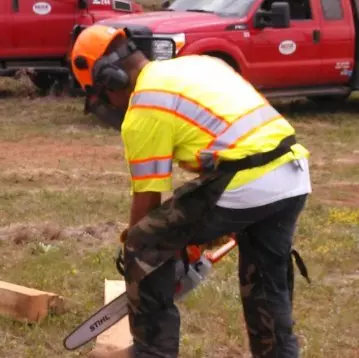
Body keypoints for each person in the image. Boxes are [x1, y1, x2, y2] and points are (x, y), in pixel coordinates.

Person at [71, 24, 312, 358]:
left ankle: (151, 351)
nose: (109, 105)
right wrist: (191, 235)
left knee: (145, 241)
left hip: (245, 178)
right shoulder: (195, 64)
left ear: (112, 80)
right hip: (291, 174)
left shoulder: (145, 107)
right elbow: (213, 164)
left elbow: (148, 200)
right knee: (265, 286)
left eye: (102, 96)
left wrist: (141, 255)